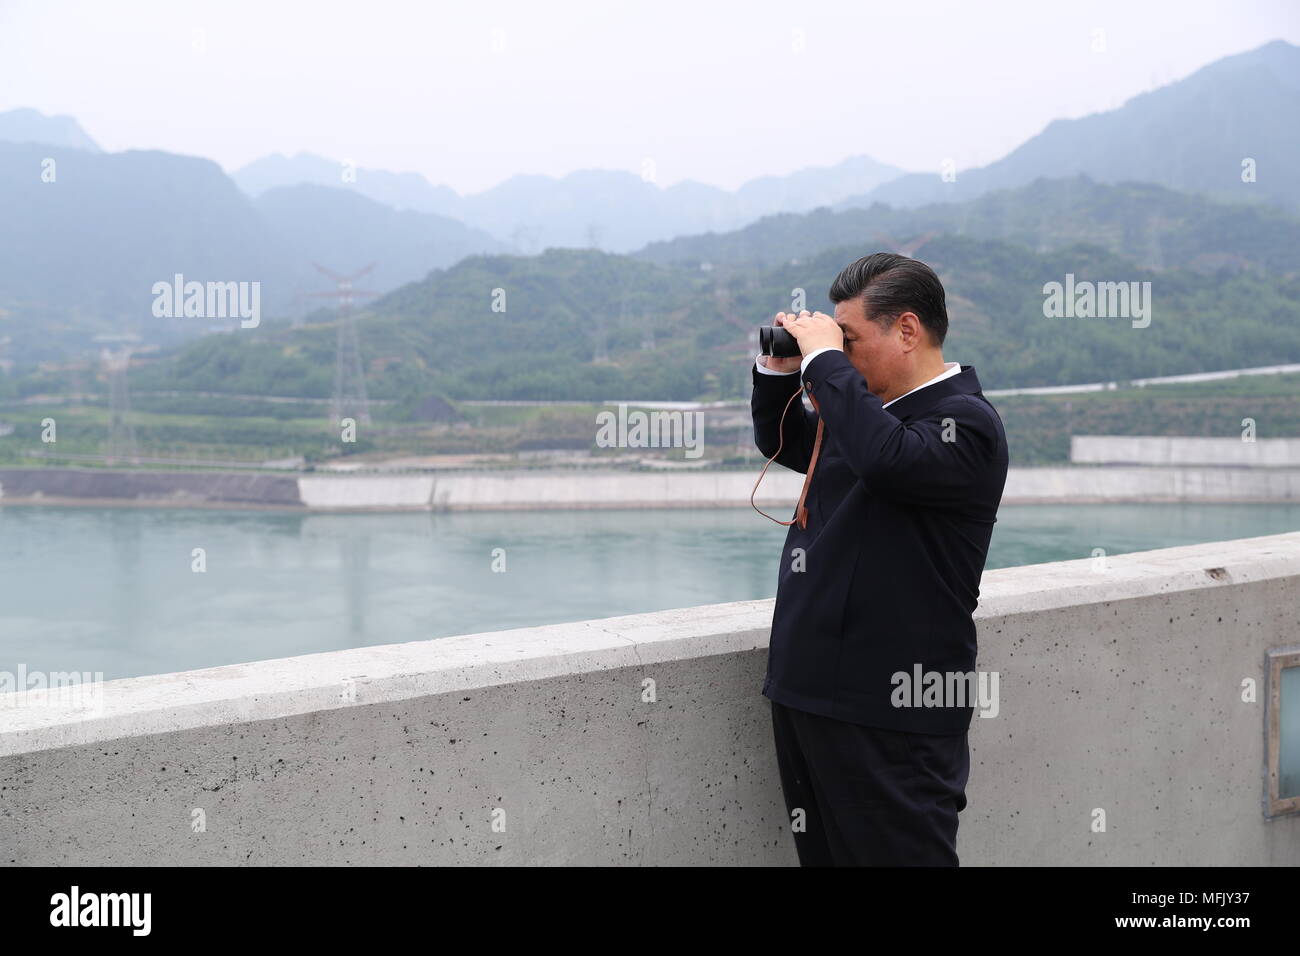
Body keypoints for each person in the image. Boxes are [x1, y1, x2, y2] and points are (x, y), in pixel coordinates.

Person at [750, 252, 1009, 866]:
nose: (844, 354)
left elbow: (886, 460)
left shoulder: (964, 425)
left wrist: (825, 362)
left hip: (896, 706)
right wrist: (783, 369)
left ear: (908, 330)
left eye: (852, 340)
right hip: (811, 692)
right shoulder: (870, 419)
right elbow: (784, 441)